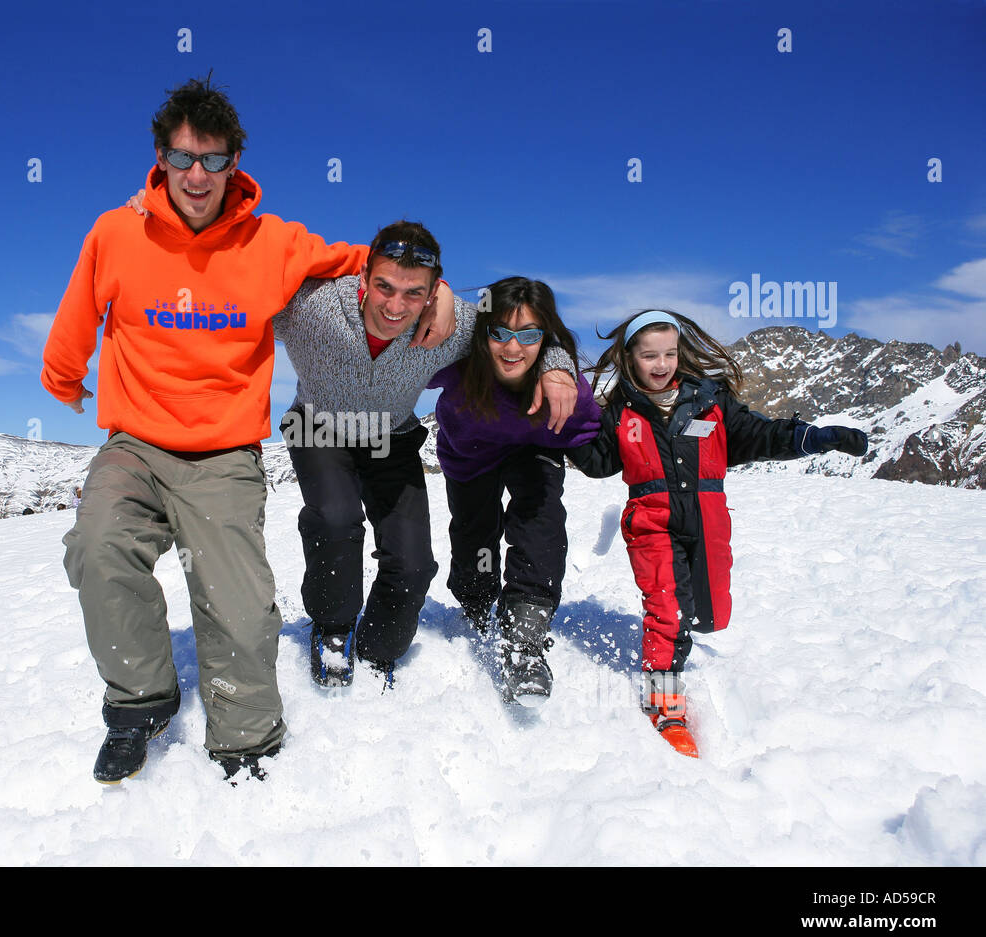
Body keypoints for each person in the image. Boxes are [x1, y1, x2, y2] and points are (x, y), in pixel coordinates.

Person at [40, 76, 453, 785]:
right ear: (160, 159)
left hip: (224, 453)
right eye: (182, 157)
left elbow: (369, 262)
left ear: (236, 162)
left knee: (237, 605)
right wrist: (63, 375)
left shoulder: (275, 244)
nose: (197, 174)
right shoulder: (116, 232)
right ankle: (140, 701)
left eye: (214, 159)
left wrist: (437, 288)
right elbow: (77, 312)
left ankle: (248, 738)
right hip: (135, 443)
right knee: (98, 546)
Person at [273, 224, 581, 690]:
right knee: (336, 520)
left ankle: (379, 647)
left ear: (433, 289)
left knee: (414, 564)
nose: (396, 307)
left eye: (414, 293)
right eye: (385, 287)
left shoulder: (453, 319)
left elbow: (525, 327)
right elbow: (236, 299)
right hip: (319, 427)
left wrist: (557, 368)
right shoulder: (311, 307)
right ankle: (334, 628)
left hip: (391, 436)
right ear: (364, 277)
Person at [566, 310, 868, 757]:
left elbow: (759, 435)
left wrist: (813, 438)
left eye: (669, 353)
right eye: (649, 355)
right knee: (667, 607)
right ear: (629, 358)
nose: (661, 363)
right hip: (652, 522)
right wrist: (567, 423)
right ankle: (665, 705)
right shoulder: (621, 413)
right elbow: (597, 462)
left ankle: (678, 636)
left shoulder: (711, 402)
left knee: (709, 613)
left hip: (708, 521)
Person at [426, 277, 601, 705]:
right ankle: (475, 602)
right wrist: (441, 296)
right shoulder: (462, 359)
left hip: (533, 449)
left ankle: (525, 633)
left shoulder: (564, 388)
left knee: (538, 522)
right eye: (500, 332)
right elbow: (406, 346)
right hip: (470, 455)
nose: (512, 347)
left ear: (545, 338)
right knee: (475, 534)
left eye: (528, 335)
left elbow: (595, 435)